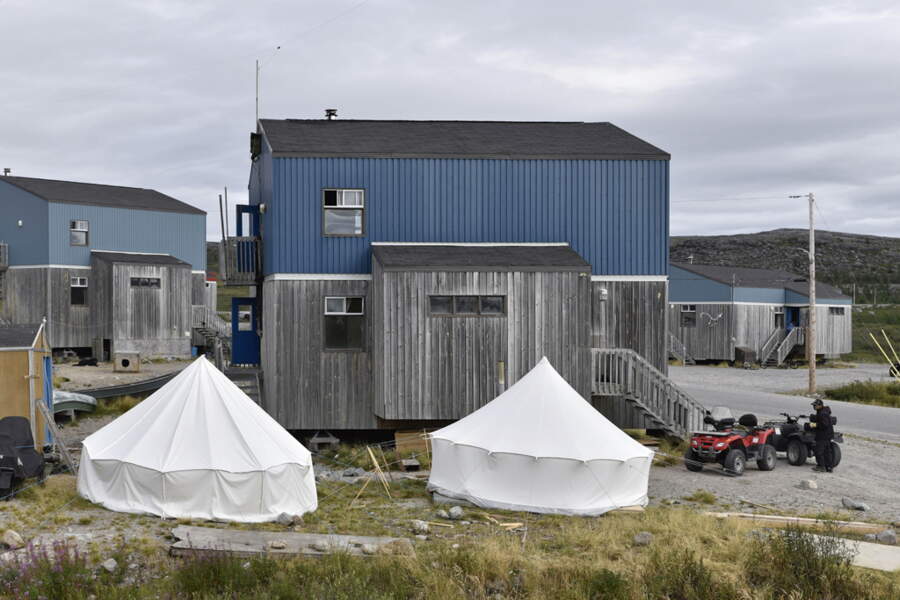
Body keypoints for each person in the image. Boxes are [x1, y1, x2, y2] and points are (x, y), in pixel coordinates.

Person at [809, 399, 835, 472]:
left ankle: (821, 466)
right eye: (813, 405)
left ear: (820, 405)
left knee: (819, 451)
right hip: (828, 435)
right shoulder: (824, 411)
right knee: (827, 452)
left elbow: (824, 424)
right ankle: (829, 467)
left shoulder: (822, 413)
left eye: (815, 405)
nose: (814, 407)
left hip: (823, 435)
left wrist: (814, 424)